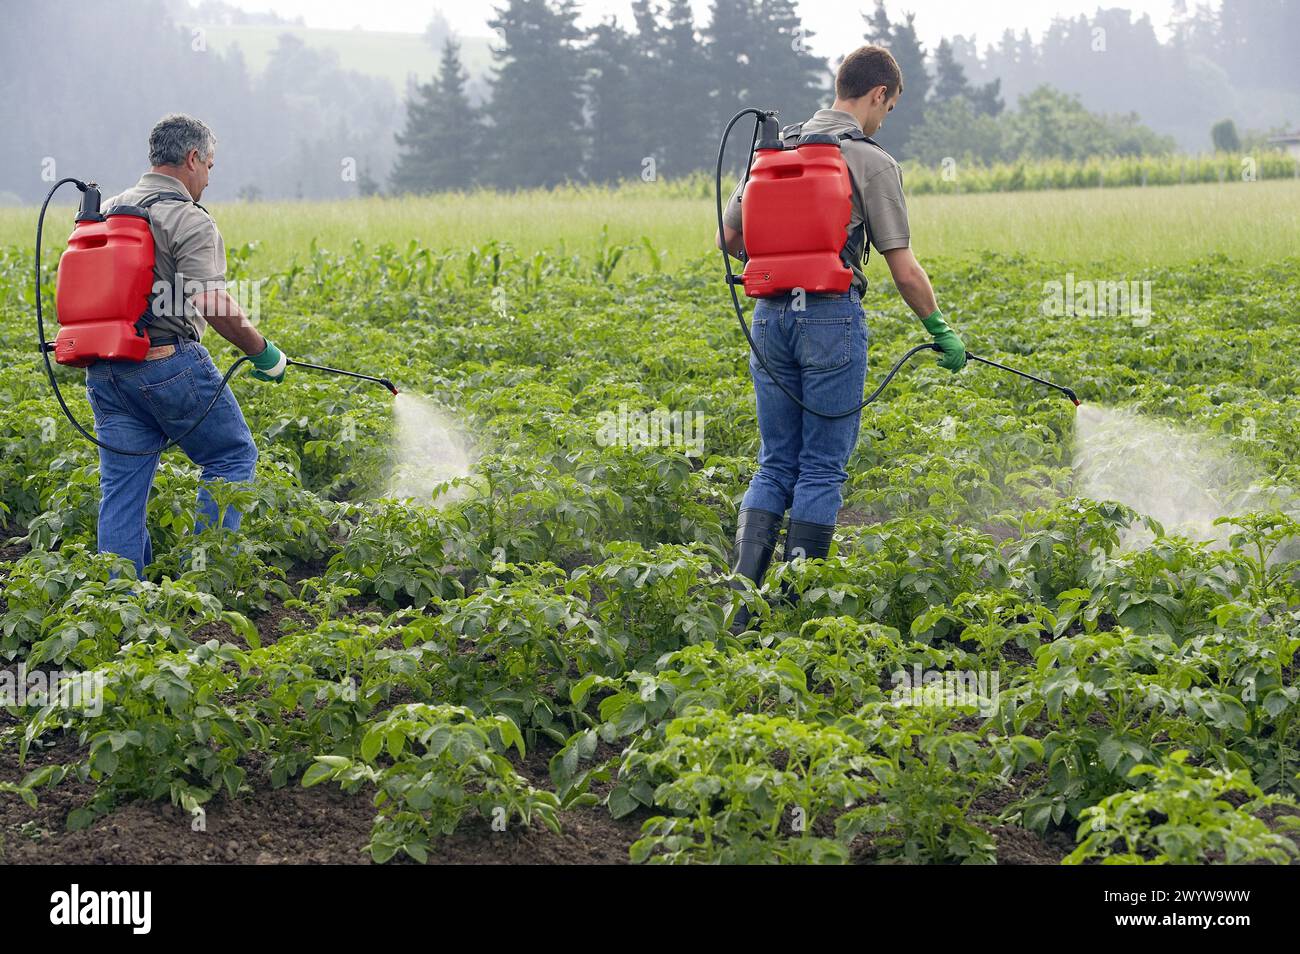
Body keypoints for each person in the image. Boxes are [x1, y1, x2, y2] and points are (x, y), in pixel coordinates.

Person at [715, 45, 967, 629]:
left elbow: (731, 239)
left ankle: (741, 610)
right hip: (830, 319)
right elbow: (903, 267)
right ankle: (800, 614)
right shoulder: (871, 161)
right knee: (824, 467)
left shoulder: (775, 149)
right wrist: (939, 329)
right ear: (878, 94)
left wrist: (788, 253)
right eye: (891, 107)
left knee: (775, 461)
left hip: (770, 319)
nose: (885, 119)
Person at [87, 113, 290, 577]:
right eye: (210, 168)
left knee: (121, 488)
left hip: (105, 370)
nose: (207, 180)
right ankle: (207, 580)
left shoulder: (109, 208)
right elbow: (213, 304)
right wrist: (263, 352)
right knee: (231, 454)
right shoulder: (187, 218)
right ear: (193, 157)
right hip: (166, 366)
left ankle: (116, 606)